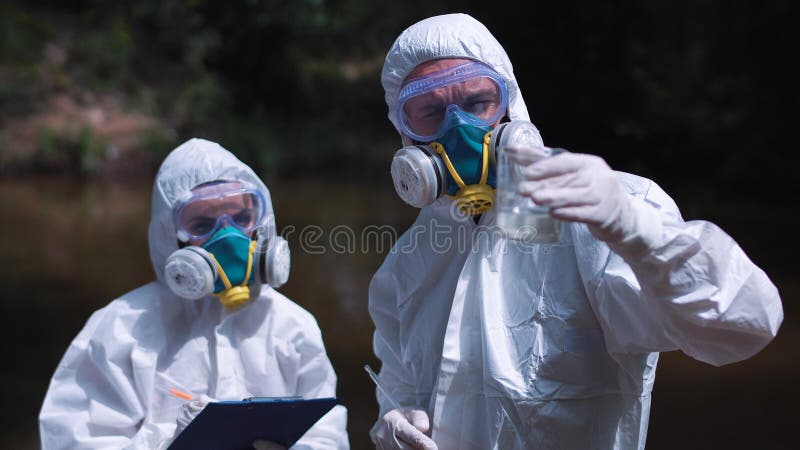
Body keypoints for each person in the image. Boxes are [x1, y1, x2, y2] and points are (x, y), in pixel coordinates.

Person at [368, 13, 783, 450]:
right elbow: (399, 389)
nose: (459, 129)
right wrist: (392, 420)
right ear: (404, 132)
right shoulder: (407, 264)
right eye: (430, 113)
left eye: (476, 104)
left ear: (511, 106)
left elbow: (743, 326)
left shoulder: (606, 214)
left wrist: (636, 230)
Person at [39, 138, 349, 449]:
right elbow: (74, 439)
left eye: (241, 219)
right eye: (202, 224)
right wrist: (169, 442)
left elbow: (326, 434)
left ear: (261, 223)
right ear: (170, 236)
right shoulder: (121, 330)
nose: (228, 237)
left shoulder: (293, 326)